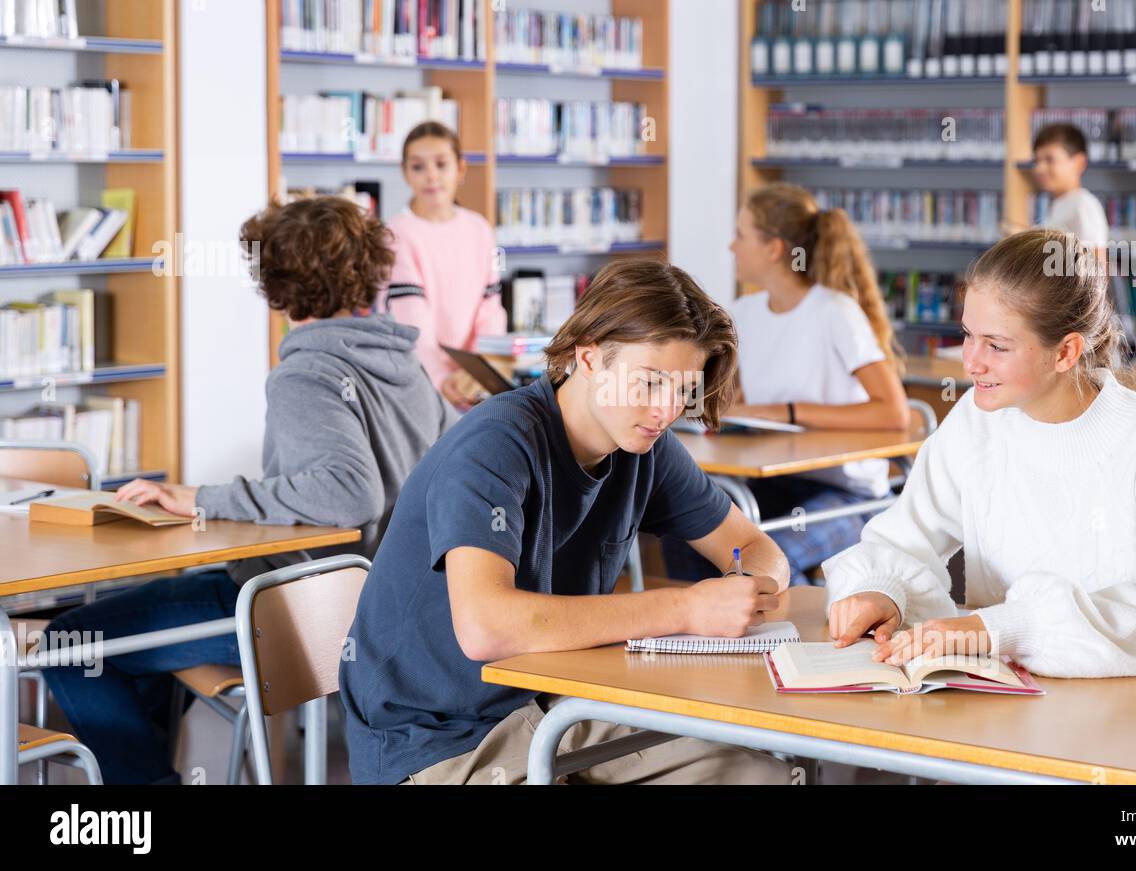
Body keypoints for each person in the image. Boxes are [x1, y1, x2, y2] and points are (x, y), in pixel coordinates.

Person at [42, 197, 457, 784]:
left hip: (300, 609)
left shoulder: (306, 375)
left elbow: (349, 493)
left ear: (279, 290)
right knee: (158, 609)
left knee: (71, 644)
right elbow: (443, 465)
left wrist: (203, 499)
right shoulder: (403, 362)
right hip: (382, 607)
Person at [340, 259, 796, 785]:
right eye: (648, 383)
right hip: (442, 741)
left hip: (559, 707)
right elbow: (486, 628)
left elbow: (753, 546)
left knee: (763, 777)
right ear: (588, 357)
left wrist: (745, 587)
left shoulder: (645, 444)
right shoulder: (497, 443)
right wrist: (688, 608)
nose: (665, 409)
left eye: (681, 389)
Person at [824, 228, 1136, 678]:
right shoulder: (976, 422)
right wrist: (881, 592)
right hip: (1009, 700)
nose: (971, 361)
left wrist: (991, 629)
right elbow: (905, 539)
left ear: (1066, 352)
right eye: (968, 335)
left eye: (996, 346)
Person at [662, 182, 910, 587]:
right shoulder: (743, 313)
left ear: (774, 248)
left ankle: (800, 642)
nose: (731, 247)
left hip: (851, 496)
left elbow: (894, 412)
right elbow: (733, 400)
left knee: (767, 561)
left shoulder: (834, 312)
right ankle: (699, 640)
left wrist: (786, 412)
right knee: (686, 531)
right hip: (770, 482)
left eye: (741, 235)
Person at [382, 121, 507, 407]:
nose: (431, 176)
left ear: (460, 170)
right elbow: (411, 319)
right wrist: (441, 378)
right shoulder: (396, 235)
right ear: (404, 173)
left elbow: (490, 309)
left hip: (471, 382)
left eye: (441, 164)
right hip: (416, 380)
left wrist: (477, 373)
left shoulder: (480, 229)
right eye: (418, 167)